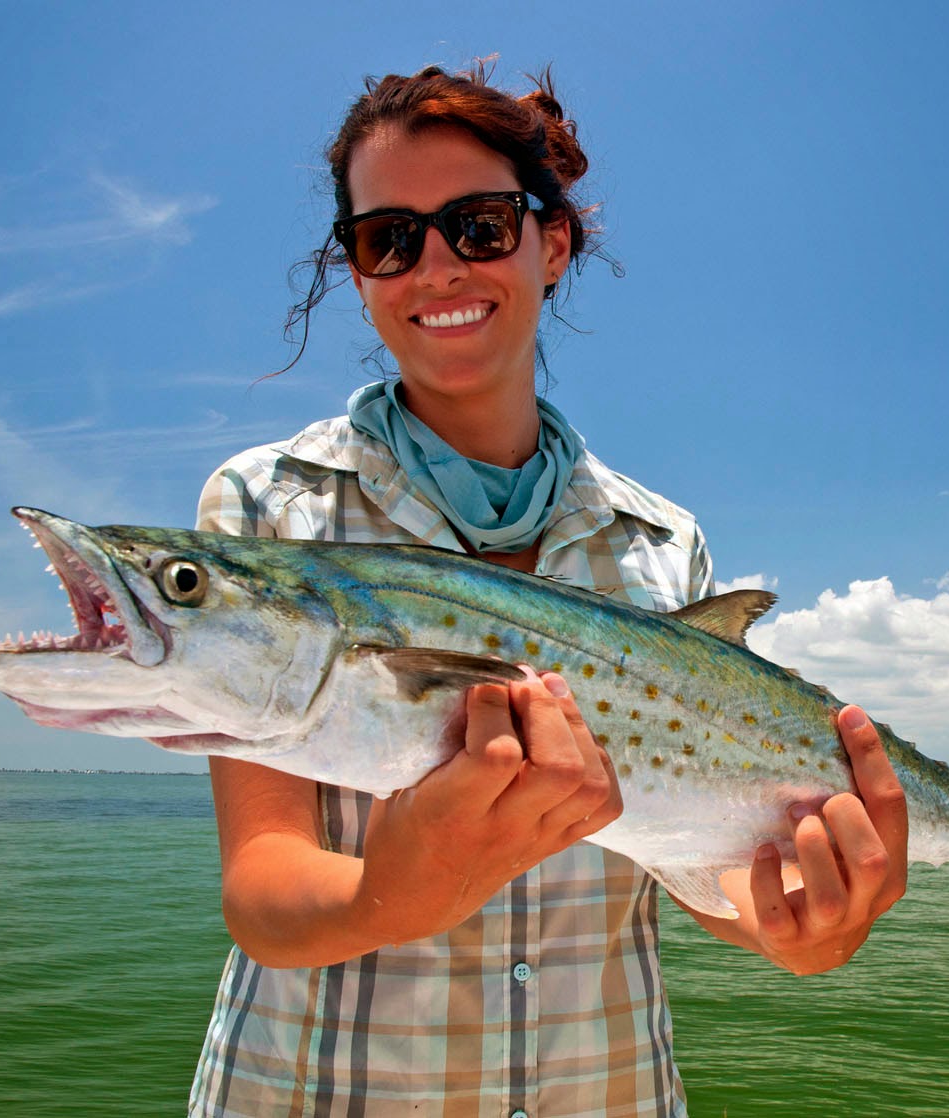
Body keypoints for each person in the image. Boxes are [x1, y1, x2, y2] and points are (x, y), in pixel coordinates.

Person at [188, 62, 908, 1118]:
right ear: (358, 271)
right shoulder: (269, 508)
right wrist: (392, 891)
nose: (437, 267)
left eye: (479, 226)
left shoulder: (664, 543)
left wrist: (798, 927)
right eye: (389, 239)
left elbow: (697, 857)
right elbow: (262, 888)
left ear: (553, 243)